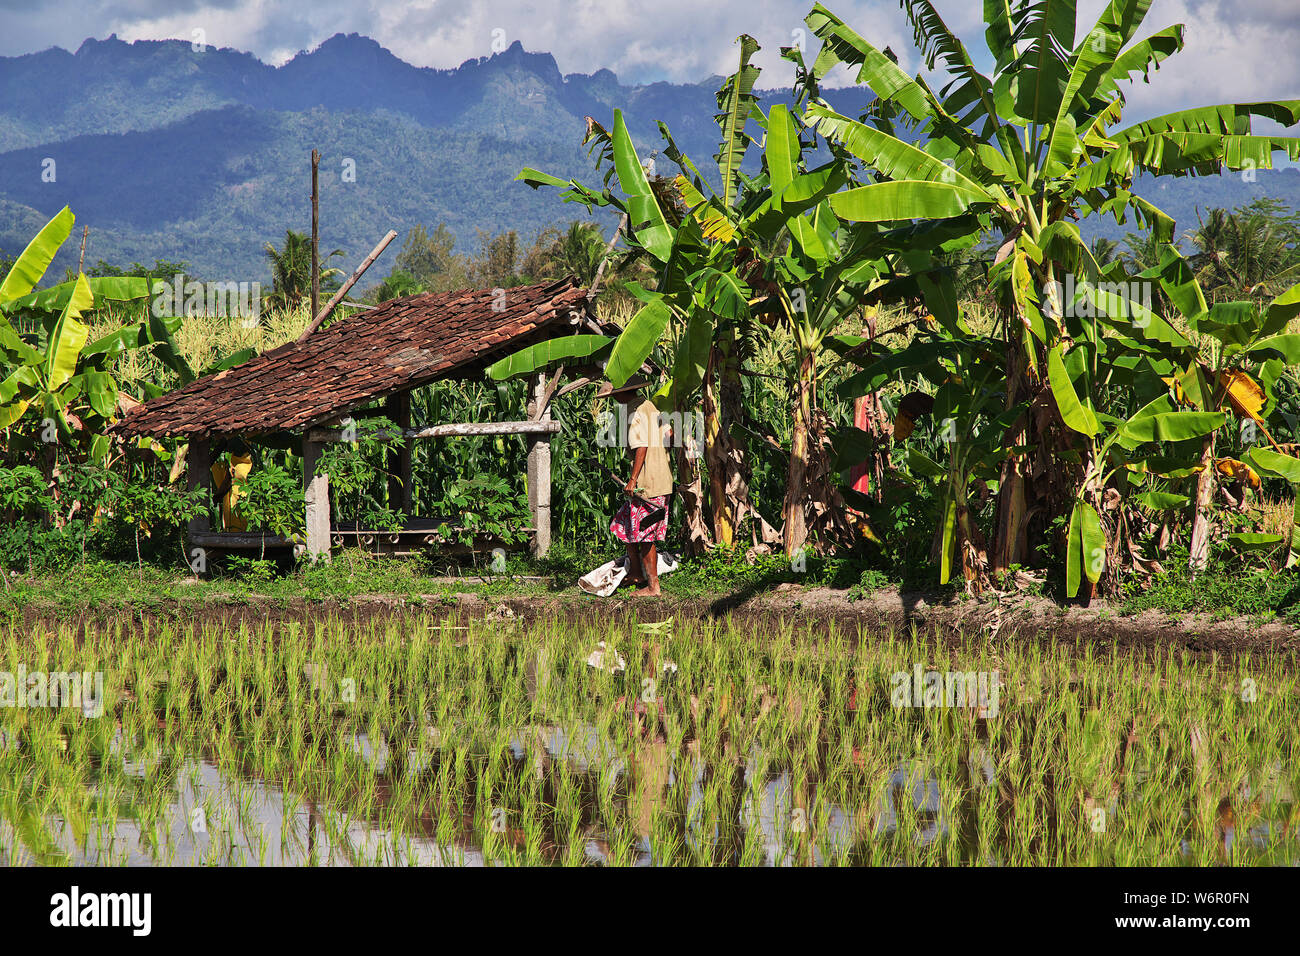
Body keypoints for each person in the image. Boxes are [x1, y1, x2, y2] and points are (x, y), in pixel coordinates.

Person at [599, 379, 673, 596]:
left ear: (623, 394)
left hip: (649, 482)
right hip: (661, 478)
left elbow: (641, 446)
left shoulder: (634, 413)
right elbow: (670, 436)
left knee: (645, 534)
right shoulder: (649, 406)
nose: (612, 399)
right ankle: (636, 574)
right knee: (623, 524)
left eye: (613, 395)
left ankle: (653, 586)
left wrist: (633, 479)